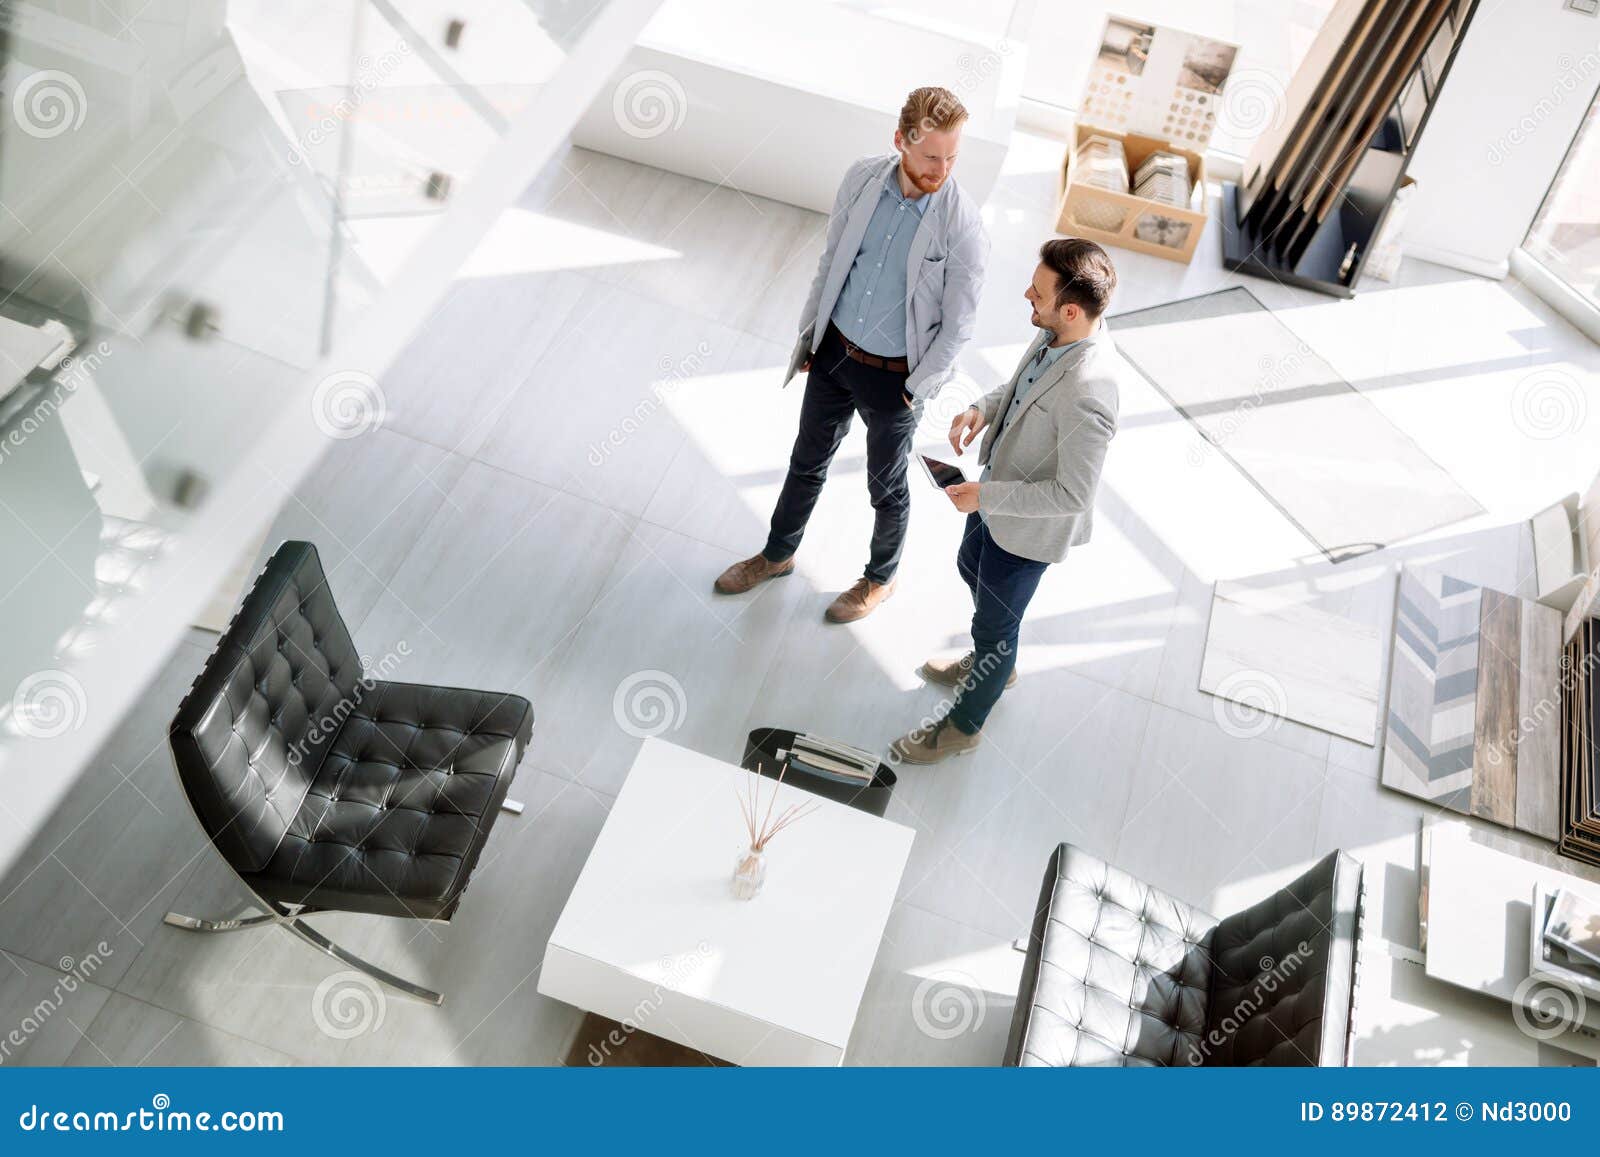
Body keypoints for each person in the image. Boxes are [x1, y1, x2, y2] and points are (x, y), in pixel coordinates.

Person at [713, 86, 989, 623]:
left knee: (885, 487)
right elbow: (831, 261)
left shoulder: (963, 224)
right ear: (900, 142)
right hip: (835, 353)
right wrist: (814, 337)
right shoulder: (862, 177)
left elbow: (960, 326)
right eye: (932, 156)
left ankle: (879, 579)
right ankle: (777, 554)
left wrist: (916, 389)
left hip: (896, 380)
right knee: (805, 462)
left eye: (953, 156)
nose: (943, 168)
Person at [889, 238, 1128, 763]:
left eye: (1037, 293)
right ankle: (997, 659)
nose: (1026, 295)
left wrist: (985, 495)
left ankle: (964, 724)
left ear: (1069, 309)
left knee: (995, 627)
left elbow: (1074, 494)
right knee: (969, 564)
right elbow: (1024, 386)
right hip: (995, 502)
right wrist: (982, 409)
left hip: (1025, 527)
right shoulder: (1059, 333)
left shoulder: (1092, 390)